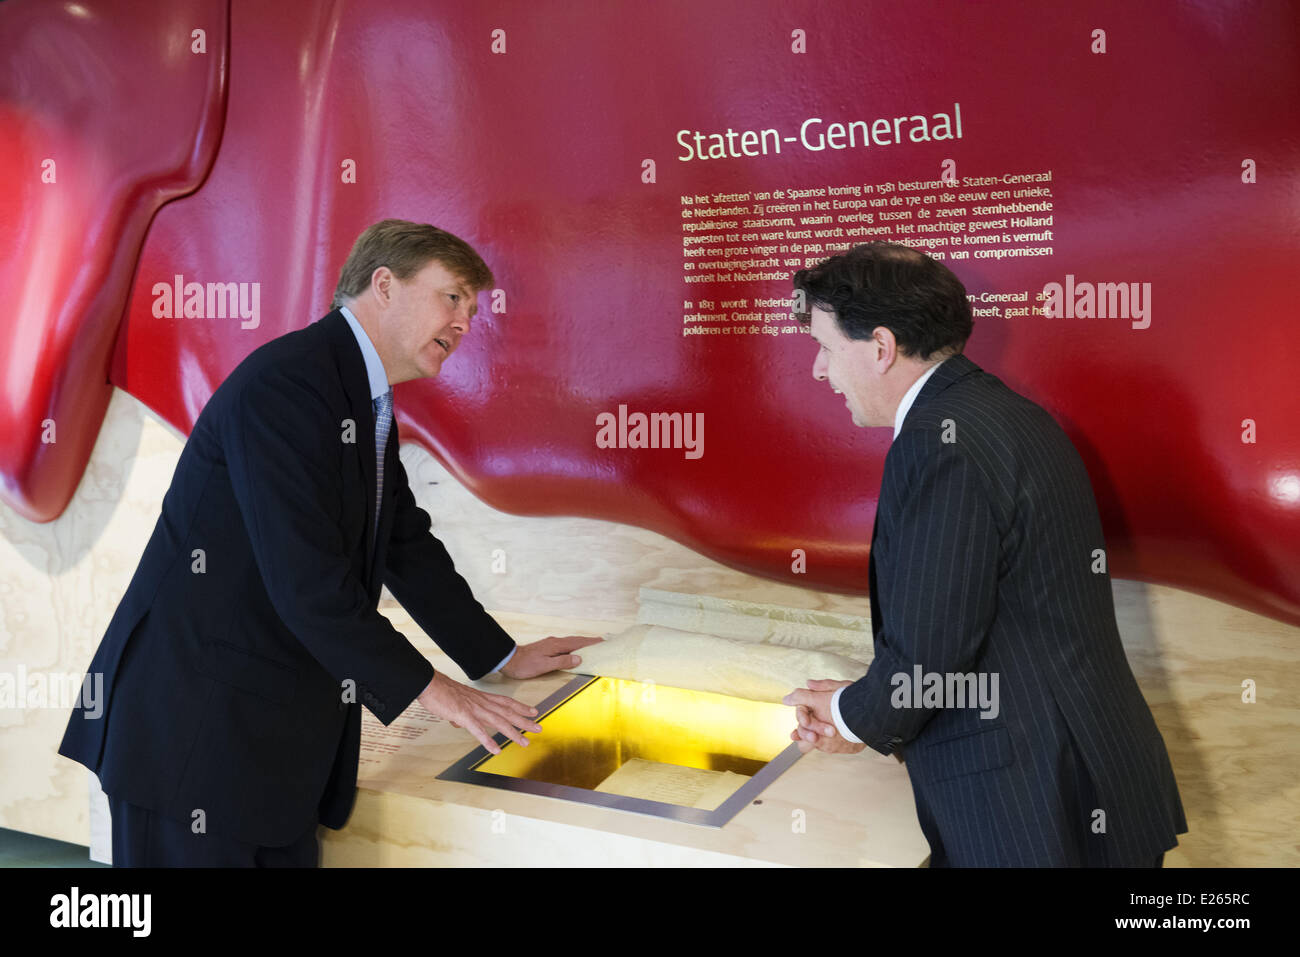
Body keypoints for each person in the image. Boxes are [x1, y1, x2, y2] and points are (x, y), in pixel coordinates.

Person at [58, 219, 599, 866]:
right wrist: (435, 689)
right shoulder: (287, 385)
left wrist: (499, 655)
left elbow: (403, 543)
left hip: (272, 756)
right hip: (193, 741)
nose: (465, 322)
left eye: (473, 309)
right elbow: (308, 585)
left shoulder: (357, 396)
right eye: (452, 296)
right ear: (384, 285)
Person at [782, 242, 1186, 867]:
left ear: (881, 346)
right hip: (1085, 770)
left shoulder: (936, 443)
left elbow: (930, 652)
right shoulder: (1007, 413)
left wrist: (848, 714)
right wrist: (862, 709)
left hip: (1032, 800)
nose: (819, 371)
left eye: (828, 348)